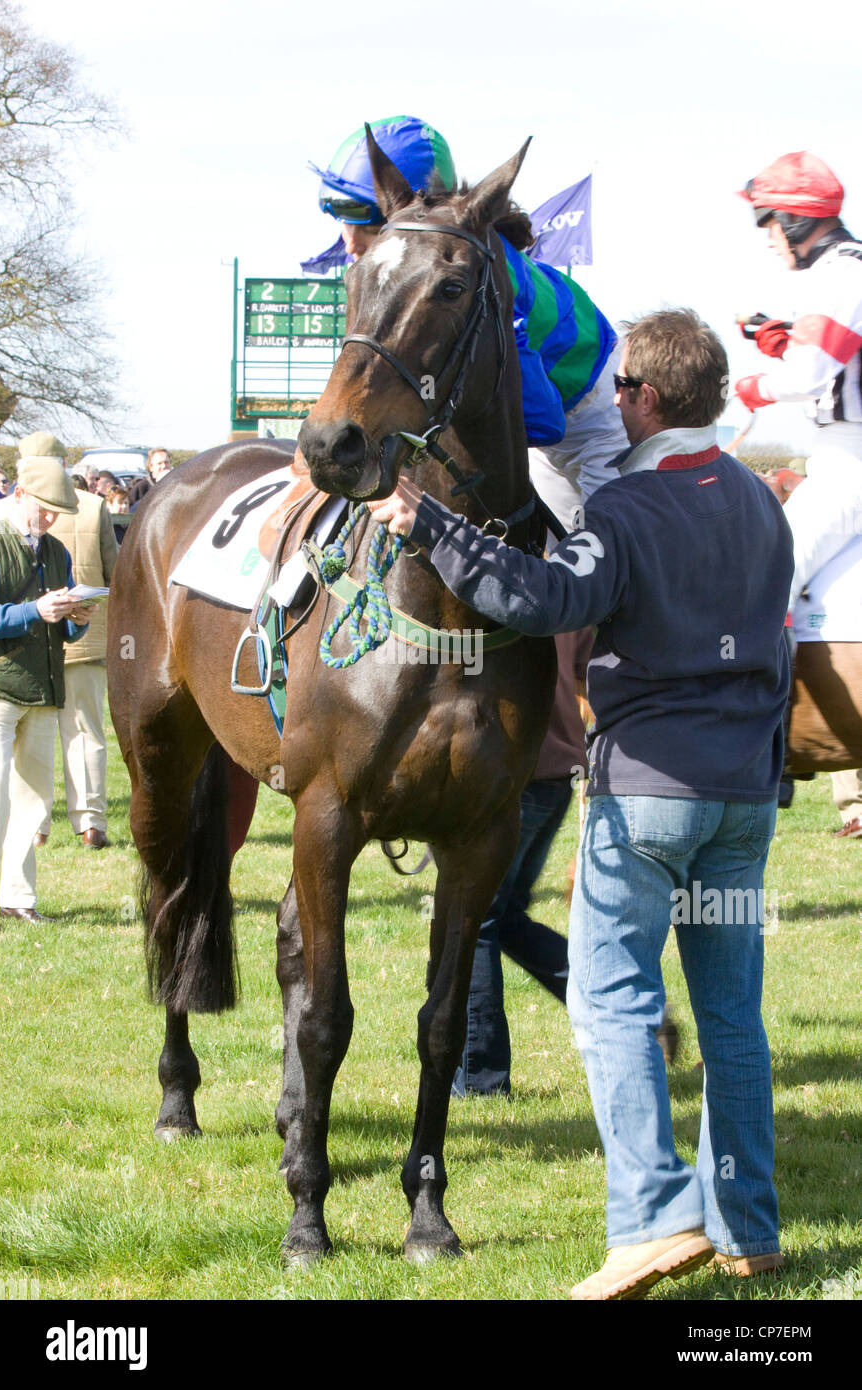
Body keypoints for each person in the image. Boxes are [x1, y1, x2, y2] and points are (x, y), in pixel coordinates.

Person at [368, 309, 793, 1300]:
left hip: (646, 798)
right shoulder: (762, 503)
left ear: (640, 398)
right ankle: (747, 1225)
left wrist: (431, 526)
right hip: (743, 801)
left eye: (618, 392)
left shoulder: (625, 508)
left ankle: (650, 1219)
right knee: (731, 1018)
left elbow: (546, 600)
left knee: (611, 1004)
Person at [313, 117, 628, 519]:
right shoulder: (450, 253)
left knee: (595, 561)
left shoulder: (487, 283)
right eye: (339, 216)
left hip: (595, 418)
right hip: (555, 415)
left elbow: (544, 424)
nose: (348, 239)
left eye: (364, 220)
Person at [453, 628, 592, 1097]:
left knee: (474, 921)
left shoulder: (492, 575)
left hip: (511, 775)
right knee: (505, 917)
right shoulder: (575, 574)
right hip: (557, 773)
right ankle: (626, 1009)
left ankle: (480, 1080)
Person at [736, 152, 862, 613]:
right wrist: (783, 343)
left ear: (792, 220)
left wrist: (750, 388)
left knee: (767, 576)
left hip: (850, 463)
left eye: (770, 226)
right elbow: (829, 359)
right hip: (838, 454)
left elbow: (808, 377)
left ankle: (763, 686)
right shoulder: (846, 268)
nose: (770, 241)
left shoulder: (840, 272)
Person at [0, 443, 95, 923]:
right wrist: (34, 611)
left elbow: (68, 628)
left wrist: (78, 618)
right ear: (19, 494)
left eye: (59, 513)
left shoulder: (56, 550)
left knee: (33, 801)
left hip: (43, 687)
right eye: (46, 510)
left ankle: (18, 897)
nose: (52, 521)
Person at [25, 434, 118, 851]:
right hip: (84, 633)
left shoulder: (5, 510)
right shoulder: (95, 506)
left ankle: (36, 825)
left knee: (32, 736)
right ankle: (90, 822)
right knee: (85, 732)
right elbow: (115, 570)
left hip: (27, 640)